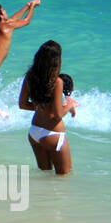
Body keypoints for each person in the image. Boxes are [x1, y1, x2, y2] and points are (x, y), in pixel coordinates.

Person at [18, 41, 75, 174]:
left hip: (34, 132)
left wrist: (41, 107)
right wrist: (70, 105)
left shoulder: (30, 76)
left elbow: (23, 104)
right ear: (56, 60)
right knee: (64, 177)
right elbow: (57, 114)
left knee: (45, 175)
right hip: (53, 134)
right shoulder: (57, 82)